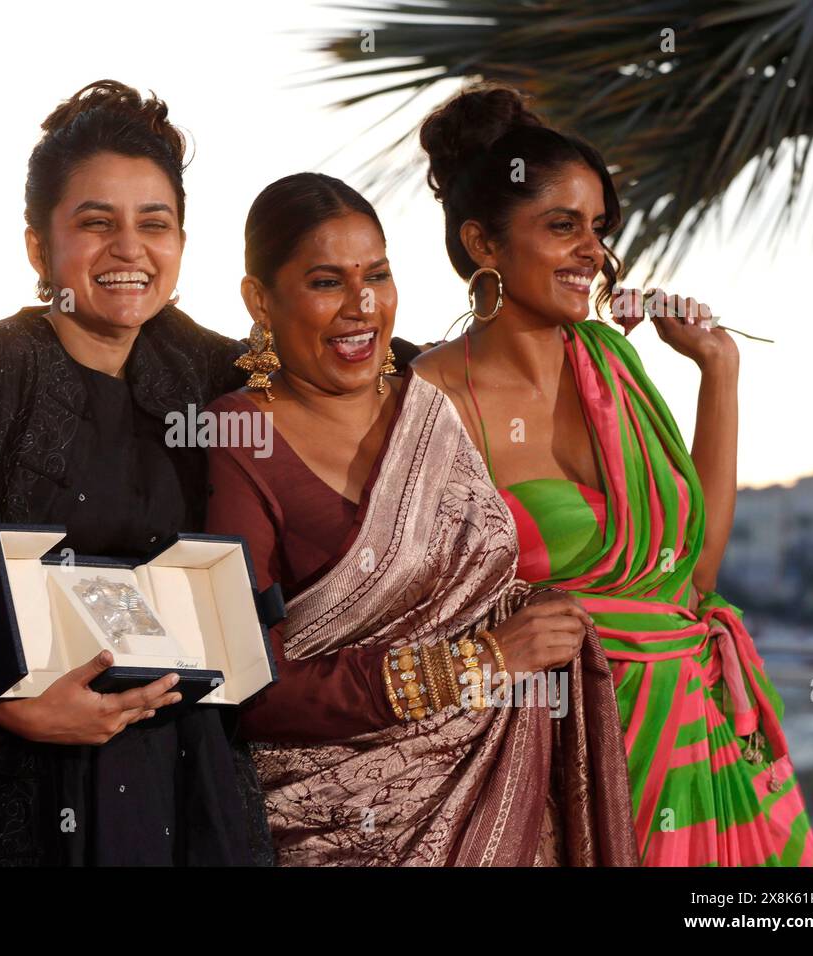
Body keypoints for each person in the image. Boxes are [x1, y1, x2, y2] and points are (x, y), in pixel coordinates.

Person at [411, 84, 813, 866]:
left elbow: (694, 575)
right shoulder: (431, 400)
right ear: (483, 243)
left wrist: (719, 374)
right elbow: (418, 612)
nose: (592, 253)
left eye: (598, 228)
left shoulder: (614, 364)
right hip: (562, 751)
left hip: (702, 741)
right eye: (562, 227)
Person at [205, 172, 639, 866]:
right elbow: (252, 685)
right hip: (338, 823)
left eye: (377, 274)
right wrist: (484, 663)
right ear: (261, 300)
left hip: (507, 796)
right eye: (326, 282)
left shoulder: (431, 405)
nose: (363, 305)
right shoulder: (239, 436)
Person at [0, 80, 274, 866]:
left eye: (154, 224)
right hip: (10, 784)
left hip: (185, 778)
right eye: (95, 223)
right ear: (39, 246)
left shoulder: (205, 367)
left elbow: (346, 367)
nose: (129, 249)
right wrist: (6, 705)